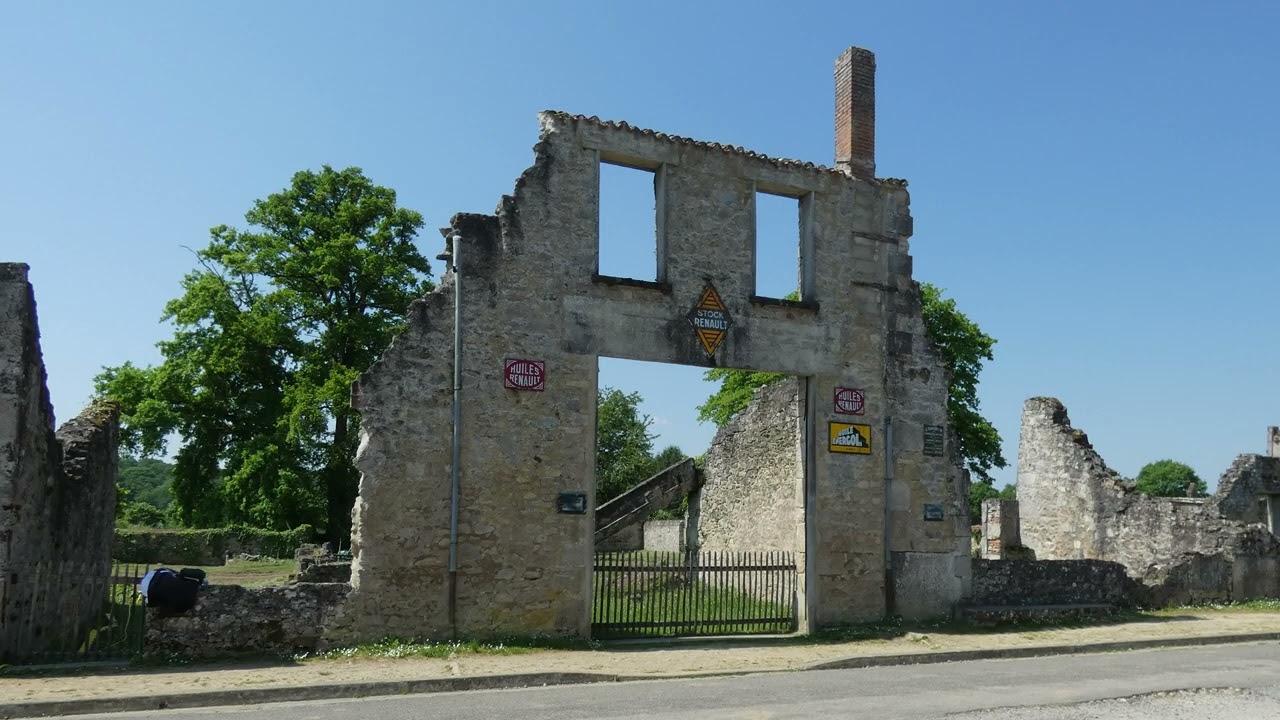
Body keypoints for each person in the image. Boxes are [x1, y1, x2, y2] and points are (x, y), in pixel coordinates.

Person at [139, 567, 208, 616]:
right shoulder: (188, 604)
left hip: (157, 576)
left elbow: (184, 571)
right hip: (149, 591)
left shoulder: (194, 581)